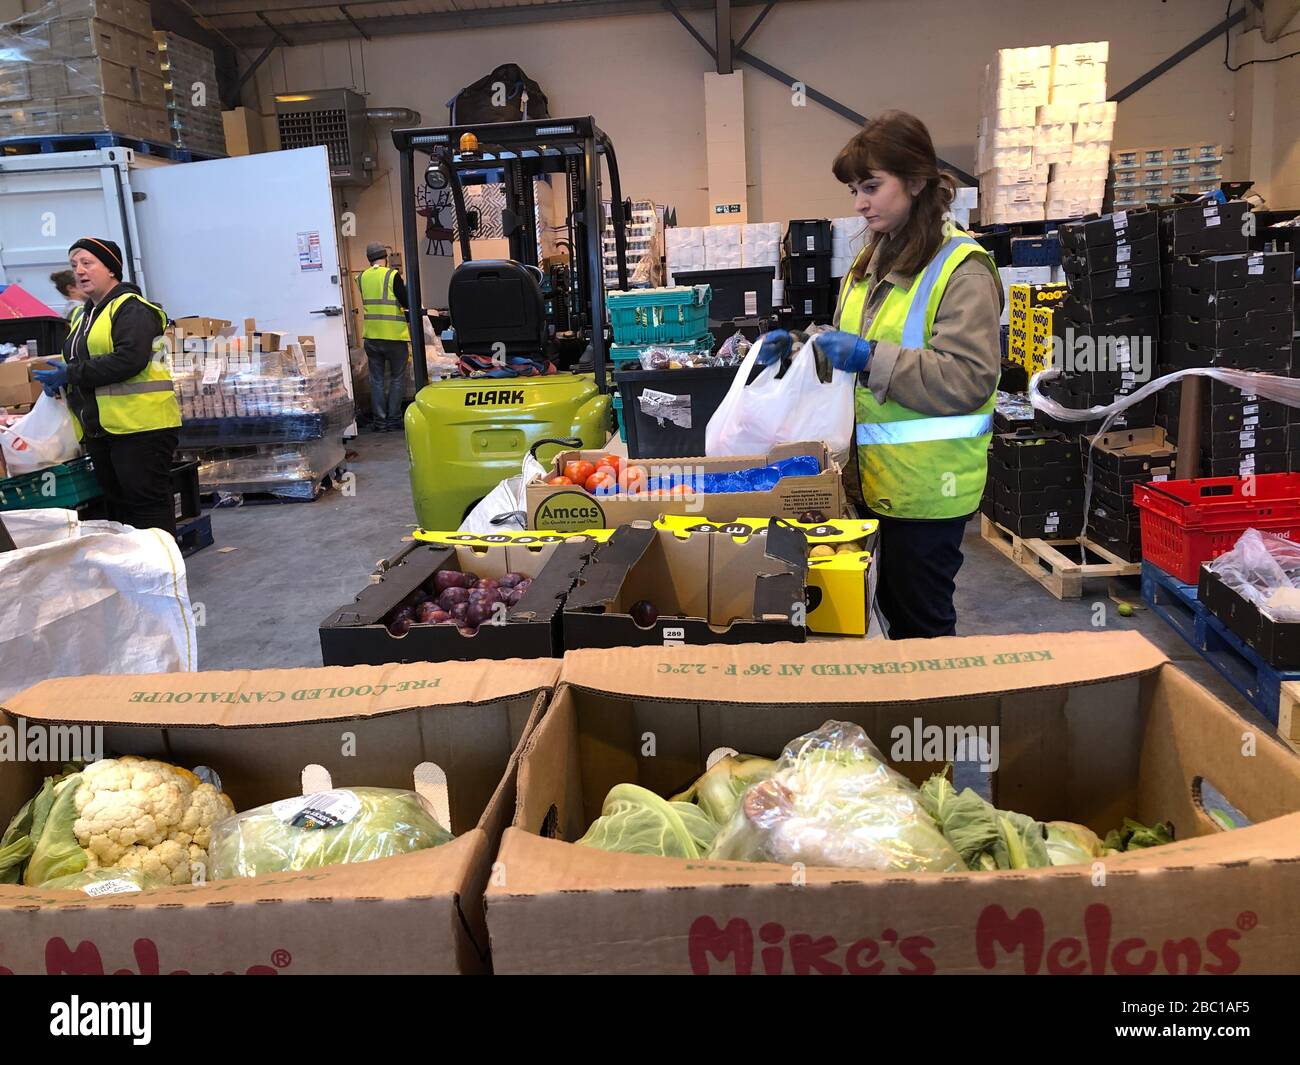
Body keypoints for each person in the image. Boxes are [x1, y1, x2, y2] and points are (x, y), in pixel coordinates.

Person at [762, 111, 1002, 639]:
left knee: (920, 620)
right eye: (854, 189)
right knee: (876, 610)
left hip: (926, 491)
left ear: (916, 182)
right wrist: (801, 349)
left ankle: (932, 718)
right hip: (867, 481)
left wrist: (870, 357)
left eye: (872, 186)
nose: (859, 203)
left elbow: (969, 378)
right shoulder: (870, 262)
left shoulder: (961, 269)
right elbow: (850, 345)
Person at [33, 238, 181, 537]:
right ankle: (133, 573)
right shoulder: (84, 317)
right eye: (75, 265)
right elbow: (79, 360)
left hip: (141, 427)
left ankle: (161, 575)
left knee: (146, 505)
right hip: (103, 429)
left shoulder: (132, 309)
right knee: (120, 508)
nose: (80, 271)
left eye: (88, 263)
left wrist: (72, 374)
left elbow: (130, 360)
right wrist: (60, 383)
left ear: (111, 269)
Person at [357, 242, 411, 432]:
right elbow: (406, 301)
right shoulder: (391, 275)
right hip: (394, 336)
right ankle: (394, 419)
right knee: (397, 377)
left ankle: (379, 422)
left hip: (371, 337)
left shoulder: (361, 277)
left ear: (369, 259)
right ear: (385, 257)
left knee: (377, 379)